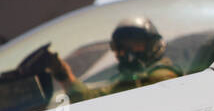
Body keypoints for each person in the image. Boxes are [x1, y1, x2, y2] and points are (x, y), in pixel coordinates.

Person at [44, 16, 182, 100]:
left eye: (134, 45)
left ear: (151, 45)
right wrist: (64, 75)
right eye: (120, 48)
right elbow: (92, 99)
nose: (124, 53)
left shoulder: (162, 77)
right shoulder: (128, 82)